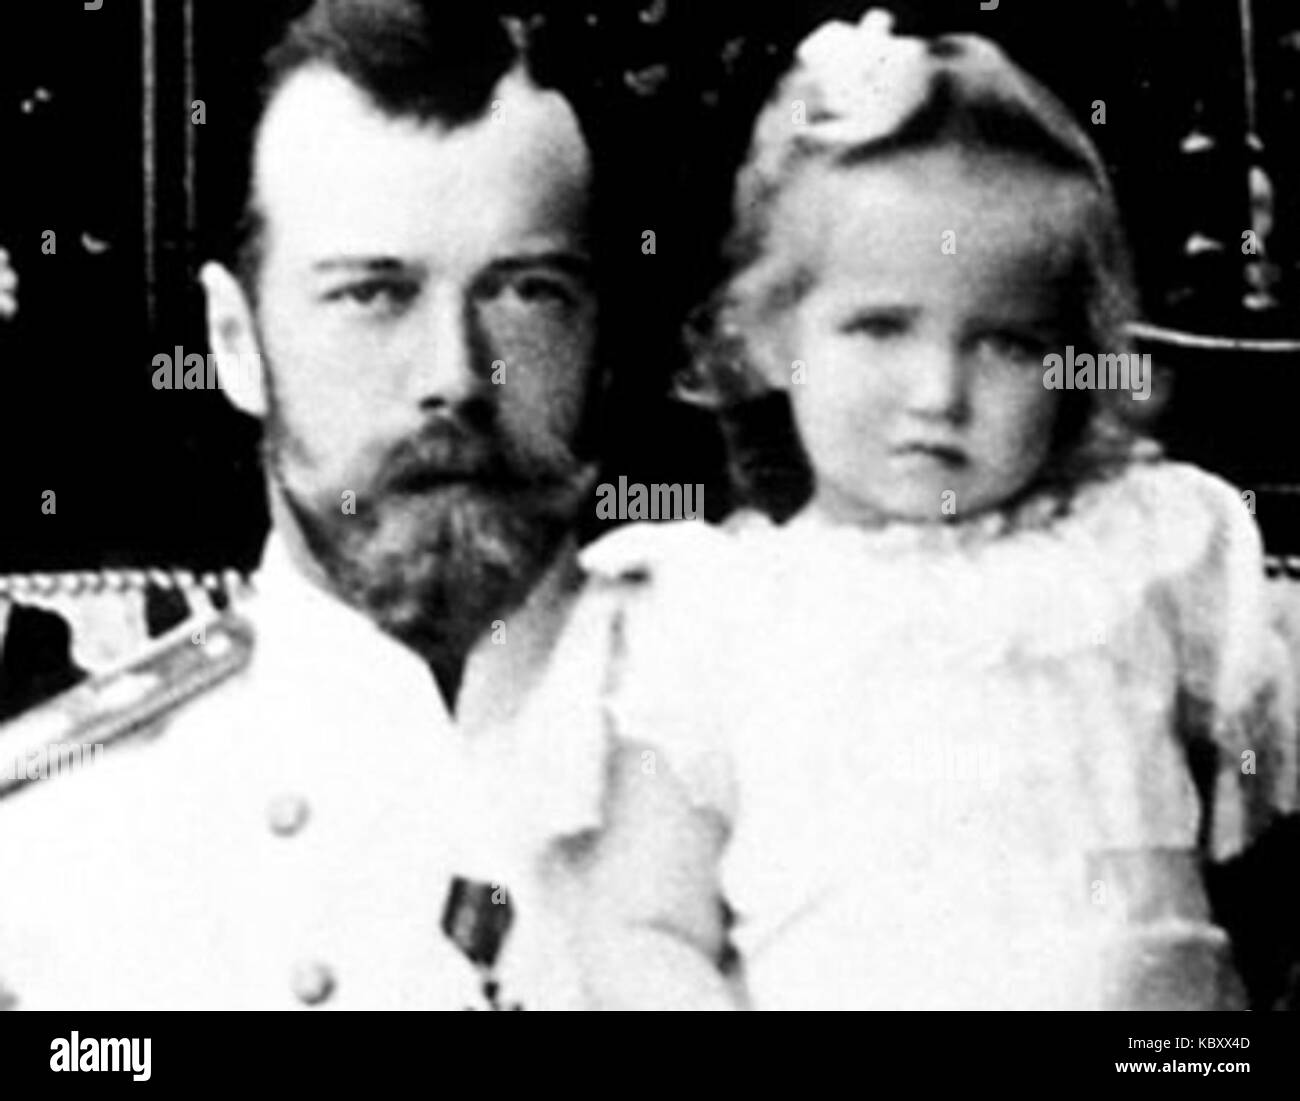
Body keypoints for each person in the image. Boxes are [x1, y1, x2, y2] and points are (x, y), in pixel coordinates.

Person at [0, 0, 731, 1011]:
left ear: (600, 334)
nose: (454, 377)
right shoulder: (65, 857)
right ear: (235, 342)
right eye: (369, 295)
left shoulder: (770, 734)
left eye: (525, 292)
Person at [580, 10, 1299, 1009]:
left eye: (1003, 342)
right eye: (879, 327)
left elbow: (1263, 794)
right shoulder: (720, 613)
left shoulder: (1142, 549)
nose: (937, 393)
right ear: (771, 331)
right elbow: (643, 924)